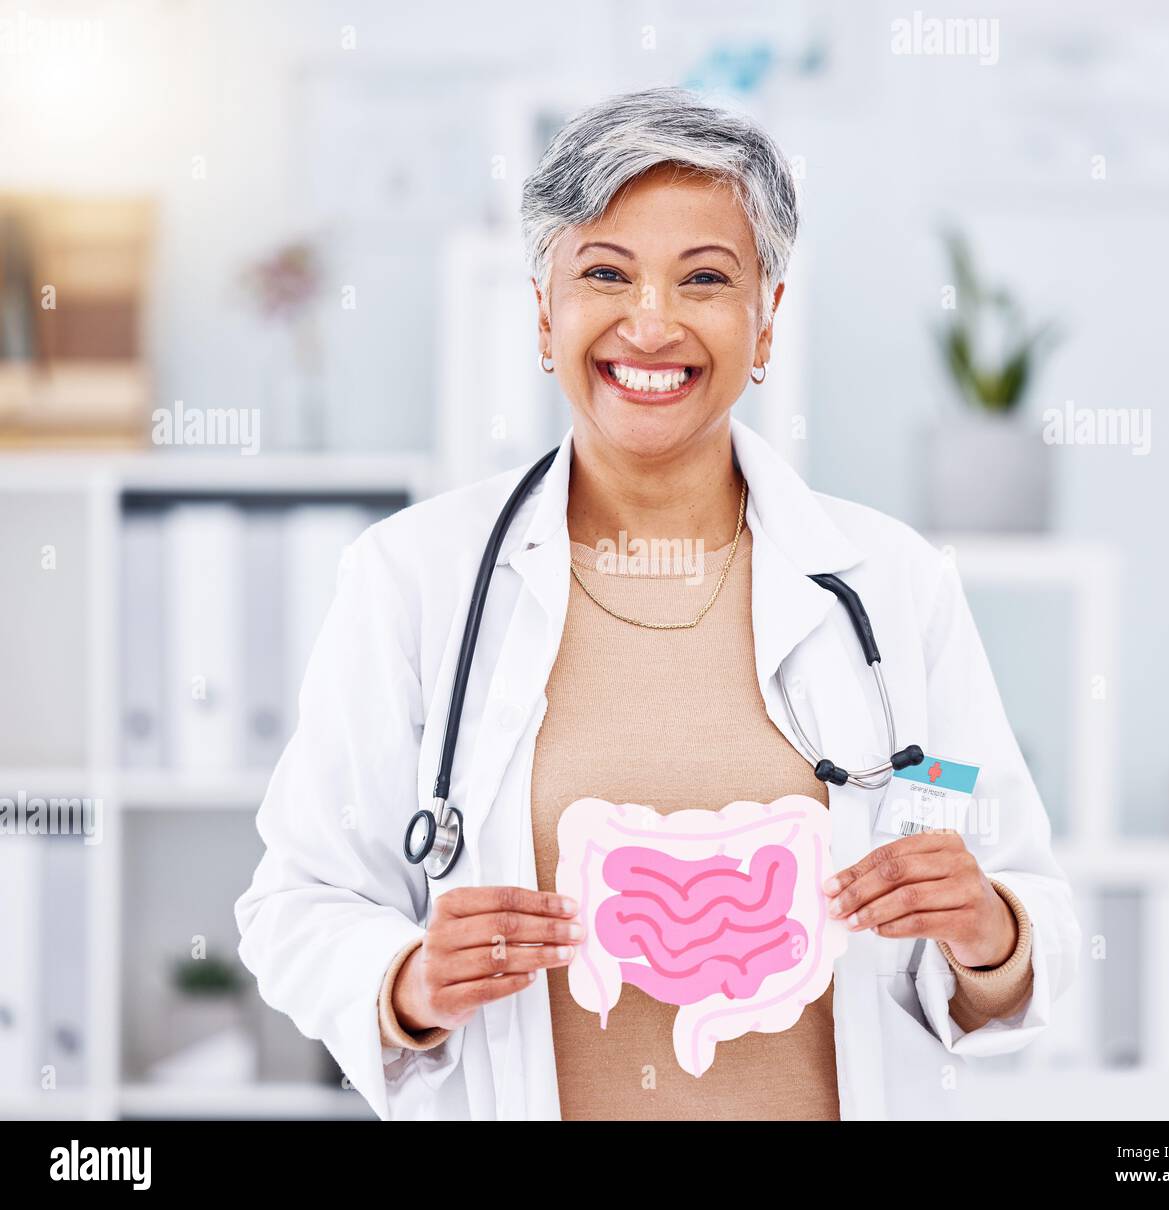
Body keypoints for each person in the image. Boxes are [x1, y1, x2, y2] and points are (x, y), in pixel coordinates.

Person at [235, 86, 1079, 1121]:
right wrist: (407, 981)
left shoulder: (891, 584)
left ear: (766, 319)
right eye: (603, 273)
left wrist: (987, 926)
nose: (650, 320)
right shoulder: (414, 579)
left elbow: (1022, 926)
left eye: (705, 279)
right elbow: (296, 904)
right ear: (543, 312)